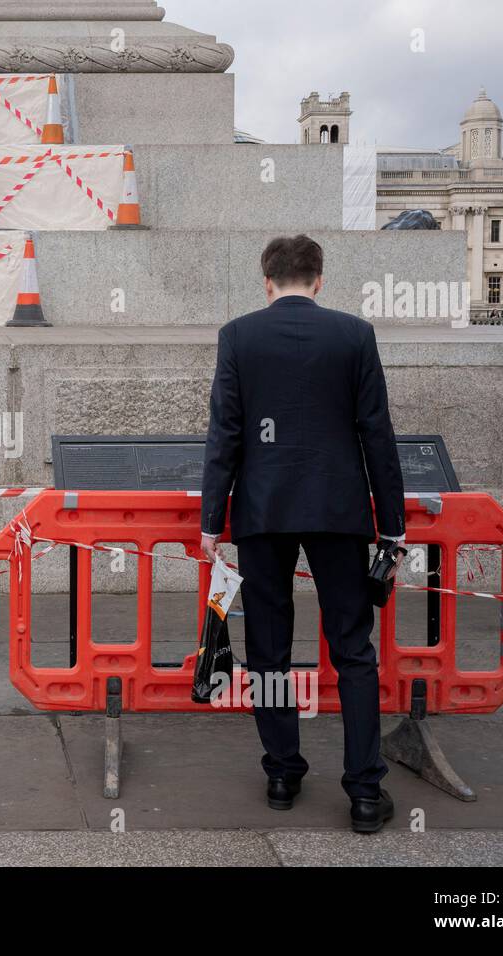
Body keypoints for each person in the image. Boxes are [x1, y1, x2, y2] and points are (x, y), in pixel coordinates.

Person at [199, 235, 406, 834]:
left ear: (267, 282)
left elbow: (226, 436)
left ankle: (283, 773)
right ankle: (366, 793)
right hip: (340, 511)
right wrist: (391, 525)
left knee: (268, 647)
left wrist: (214, 520)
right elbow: (377, 435)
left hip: (263, 512)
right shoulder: (354, 335)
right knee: (353, 649)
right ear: (318, 280)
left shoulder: (238, 336)